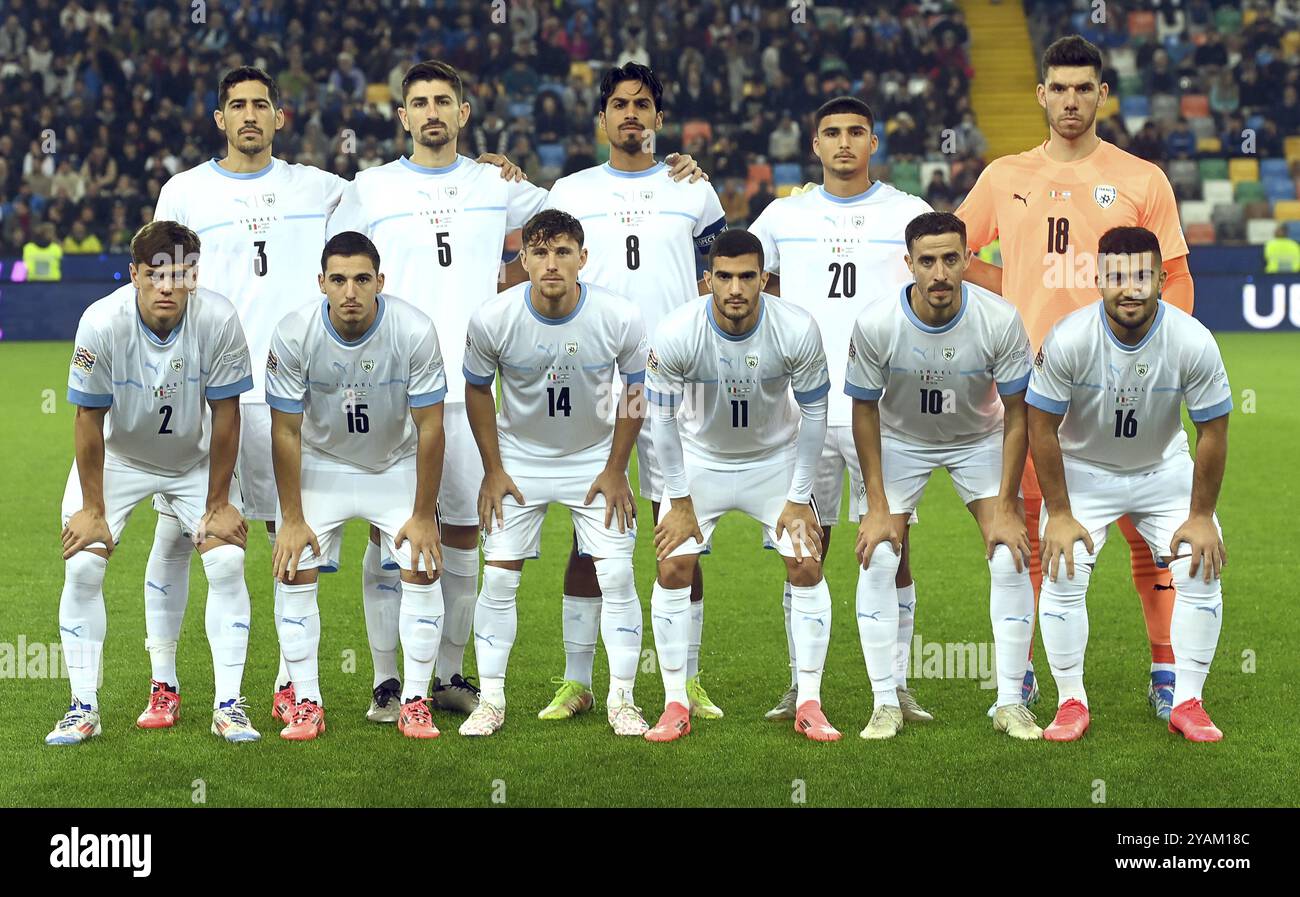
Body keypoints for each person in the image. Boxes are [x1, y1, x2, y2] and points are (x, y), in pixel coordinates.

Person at [956, 35, 1195, 720]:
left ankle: (1168, 669)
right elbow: (955, 248)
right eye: (1057, 88)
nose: (1069, 100)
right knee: (1039, 533)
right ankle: (1034, 673)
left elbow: (1174, 276)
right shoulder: (1005, 175)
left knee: (1153, 542)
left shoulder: (1142, 178)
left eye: (1082, 88)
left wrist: (1158, 354)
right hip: (1039, 390)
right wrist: (1017, 288)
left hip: (1128, 384)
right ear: (1040, 94)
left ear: (1101, 94)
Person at [531, 62, 725, 722]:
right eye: (619, 104)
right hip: (594, 378)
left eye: (643, 103)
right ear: (602, 118)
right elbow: (538, 258)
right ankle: (577, 679)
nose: (631, 113)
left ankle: (686, 680)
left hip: (676, 380)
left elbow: (723, 275)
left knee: (681, 527)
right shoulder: (570, 189)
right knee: (590, 534)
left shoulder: (695, 190)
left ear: (661, 118)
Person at [748, 96, 935, 722]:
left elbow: (939, 287)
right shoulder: (783, 214)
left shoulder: (908, 212)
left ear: (874, 141)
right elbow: (745, 287)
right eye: (832, 132)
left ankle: (897, 683)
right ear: (815, 145)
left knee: (893, 547)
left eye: (857, 131)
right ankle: (802, 687)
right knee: (806, 547)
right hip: (802, 411)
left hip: (887, 411)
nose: (845, 143)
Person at [48, 220, 258, 745]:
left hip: (193, 458)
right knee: (83, 567)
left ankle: (229, 705)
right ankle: (82, 708)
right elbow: (88, 421)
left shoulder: (220, 319)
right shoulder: (101, 322)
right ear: (135, 274)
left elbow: (227, 415)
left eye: (181, 273)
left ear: (193, 275)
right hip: (119, 458)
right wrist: (93, 508)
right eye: (156, 274)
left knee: (228, 559)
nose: (168, 286)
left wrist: (217, 504)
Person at [1026, 226, 1231, 743]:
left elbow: (1212, 431)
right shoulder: (1069, 338)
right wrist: (1061, 511)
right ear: (1098, 279)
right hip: (1086, 473)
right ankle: (1071, 701)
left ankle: (1188, 701)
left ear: (1162, 279)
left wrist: (1202, 516)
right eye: (1117, 276)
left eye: (1142, 275)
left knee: (1201, 566)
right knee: (1063, 570)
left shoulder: (1192, 340)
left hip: (1162, 472)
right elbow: (1040, 427)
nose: (1130, 287)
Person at [845, 212, 1039, 740]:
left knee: (1008, 555)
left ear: (968, 260)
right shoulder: (878, 322)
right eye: (926, 260)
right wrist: (879, 506)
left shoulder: (1000, 319)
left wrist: (1005, 504)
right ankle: (886, 702)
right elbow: (863, 410)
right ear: (907, 263)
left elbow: (1020, 412)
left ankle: (1010, 703)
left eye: (950, 259)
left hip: (979, 439)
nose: (939, 273)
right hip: (900, 440)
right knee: (880, 555)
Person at [644, 229, 839, 743]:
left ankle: (809, 700)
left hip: (773, 462)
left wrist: (799, 498)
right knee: (673, 565)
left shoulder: (796, 329)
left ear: (764, 279)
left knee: (806, 562)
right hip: (700, 462)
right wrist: (680, 500)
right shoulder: (676, 331)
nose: (736, 288)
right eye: (724, 277)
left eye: (747, 276)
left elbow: (816, 416)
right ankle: (674, 703)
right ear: (706, 280)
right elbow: (660, 420)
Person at [461, 209, 649, 737]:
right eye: (539, 252)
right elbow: (477, 389)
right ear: (523, 260)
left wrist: (617, 469)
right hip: (518, 459)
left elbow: (636, 394)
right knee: (498, 576)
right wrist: (493, 468)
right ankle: (491, 701)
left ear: (582, 259)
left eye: (562, 252)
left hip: (593, 459)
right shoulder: (492, 318)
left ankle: (622, 700)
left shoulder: (620, 316)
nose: (551, 263)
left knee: (615, 574)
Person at [264, 231, 448, 741]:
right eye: (339, 279)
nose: (350, 291)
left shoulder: (413, 329)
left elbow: (432, 427)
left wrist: (423, 513)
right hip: (323, 465)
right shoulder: (293, 331)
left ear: (380, 282)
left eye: (362, 279)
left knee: (420, 563)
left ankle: (414, 700)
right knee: (294, 567)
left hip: (393, 464)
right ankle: (306, 701)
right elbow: (284, 430)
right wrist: (292, 519)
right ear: (321, 282)